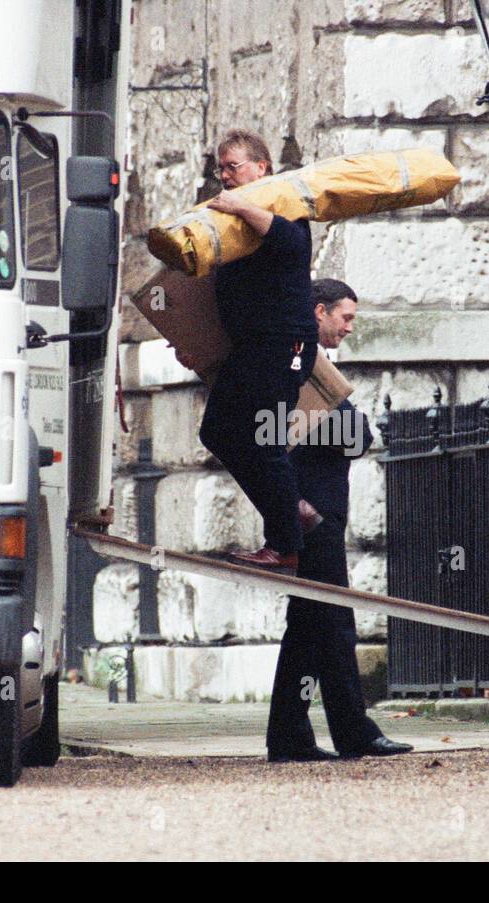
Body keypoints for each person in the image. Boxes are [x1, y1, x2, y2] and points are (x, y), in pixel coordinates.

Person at [265, 279, 414, 762]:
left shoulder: (308, 365)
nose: (350, 327)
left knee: (309, 628)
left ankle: (290, 735)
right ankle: (353, 733)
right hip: (313, 517)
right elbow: (357, 435)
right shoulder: (300, 368)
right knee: (333, 626)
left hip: (312, 514)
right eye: (345, 317)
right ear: (319, 311)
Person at [179, 129, 321, 575]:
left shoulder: (283, 206)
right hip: (251, 347)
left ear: (262, 167)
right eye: (220, 168)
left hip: (284, 345)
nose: (224, 176)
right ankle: (294, 511)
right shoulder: (234, 223)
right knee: (218, 431)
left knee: (266, 440)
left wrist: (241, 204)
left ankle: (284, 544)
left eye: (232, 166)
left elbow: (292, 246)